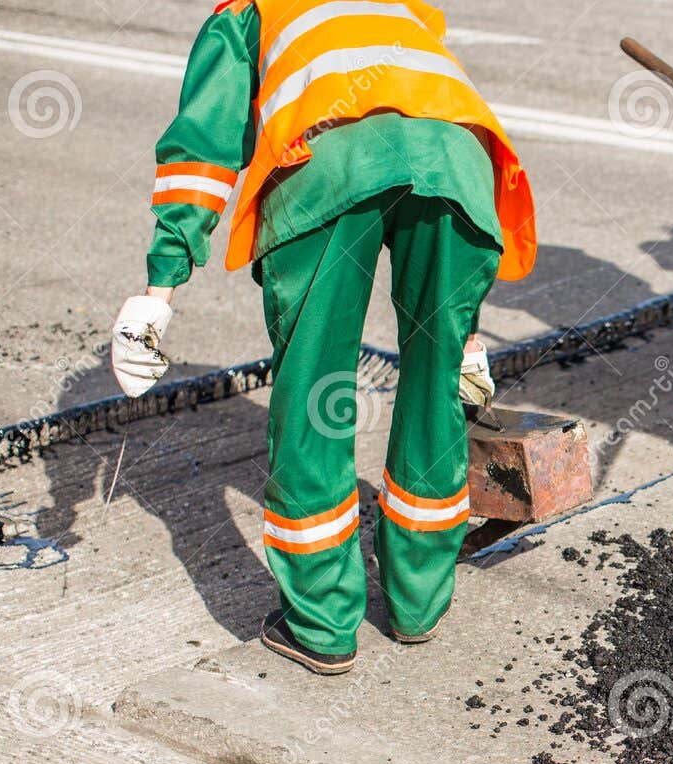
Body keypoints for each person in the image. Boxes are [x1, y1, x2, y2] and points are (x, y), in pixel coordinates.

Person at [111, 0, 535, 675]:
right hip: (459, 166)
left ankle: (322, 623)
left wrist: (158, 288)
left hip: (326, 166)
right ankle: (419, 601)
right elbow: (431, 125)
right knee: (436, 384)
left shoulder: (247, 10)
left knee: (315, 390)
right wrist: (466, 331)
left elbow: (204, 146)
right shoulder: (401, 6)